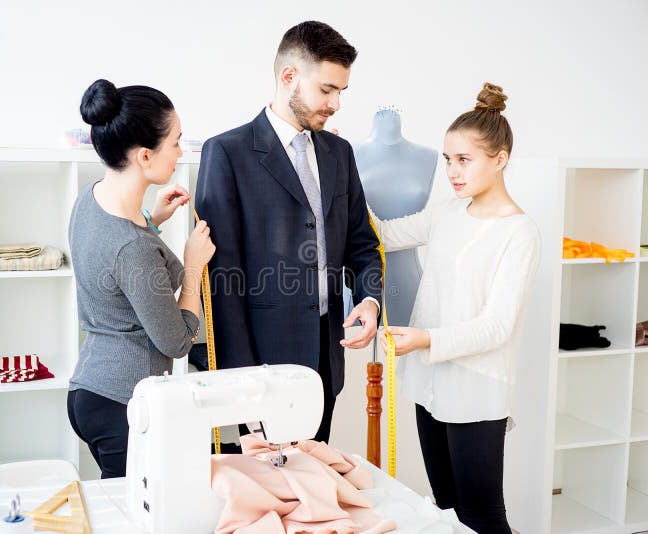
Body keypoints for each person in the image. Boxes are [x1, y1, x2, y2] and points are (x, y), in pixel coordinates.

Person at [195, 21, 382, 444]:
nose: (335, 104)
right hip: (261, 365)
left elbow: (362, 243)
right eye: (327, 90)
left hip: (325, 358)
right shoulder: (226, 153)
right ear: (289, 77)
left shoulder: (340, 153)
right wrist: (242, 382)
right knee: (268, 496)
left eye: (341, 93)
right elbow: (222, 278)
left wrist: (370, 300)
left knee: (313, 490)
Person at [374, 83, 540, 532]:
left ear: (500, 159)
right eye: (448, 160)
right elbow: (386, 236)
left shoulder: (519, 232)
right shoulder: (449, 210)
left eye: (464, 160)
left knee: (482, 516)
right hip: (430, 379)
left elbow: (497, 326)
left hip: (476, 389)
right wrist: (340, 195)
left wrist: (426, 338)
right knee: (444, 510)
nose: (452, 171)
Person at [67, 79, 215, 478]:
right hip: (122, 405)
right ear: (146, 156)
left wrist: (153, 219)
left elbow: (114, 261)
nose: (181, 151)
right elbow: (178, 341)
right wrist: (193, 268)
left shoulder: (90, 196)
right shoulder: (134, 248)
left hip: (90, 389)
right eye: (176, 142)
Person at [344, 108, 437, 326]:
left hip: (409, 282)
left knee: (410, 357)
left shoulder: (428, 156)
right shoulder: (346, 155)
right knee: (361, 357)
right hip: (359, 282)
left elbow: (384, 232)